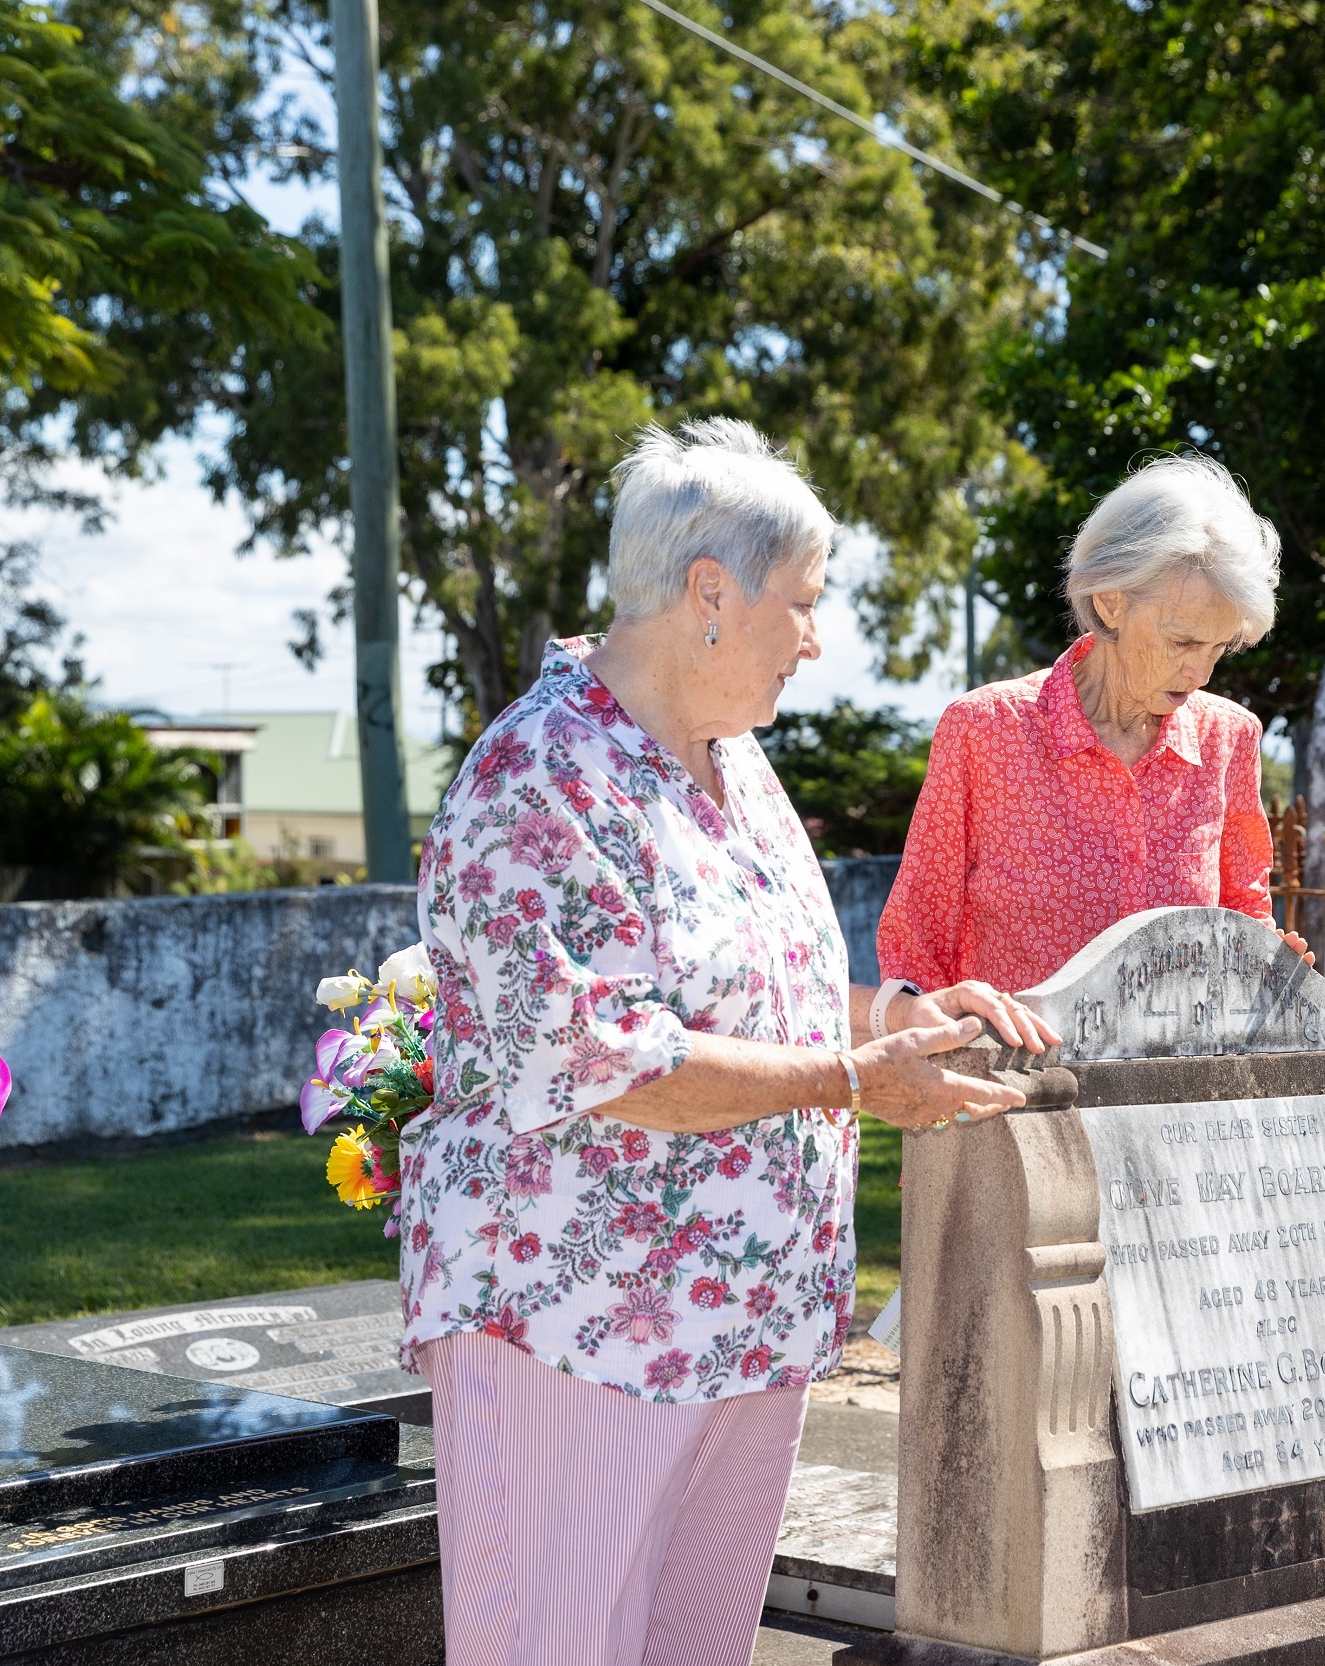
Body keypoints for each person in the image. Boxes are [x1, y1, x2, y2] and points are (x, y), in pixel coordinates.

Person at [404, 417, 1059, 1666]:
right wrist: (855, 1081)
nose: (818, 639)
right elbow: (607, 1059)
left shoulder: (734, 763)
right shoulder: (538, 779)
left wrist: (900, 1015)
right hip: (579, 1319)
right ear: (711, 594)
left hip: (743, 1318)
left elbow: (768, 994)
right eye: (803, 604)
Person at [876, 453, 1307, 994]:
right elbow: (916, 942)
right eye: (1183, 642)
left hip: (1175, 1077)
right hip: (1021, 1076)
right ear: (1109, 604)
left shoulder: (1229, 739)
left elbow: (1242, 919)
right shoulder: (985, 730)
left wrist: (1266, 964)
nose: (1200, 671)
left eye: (1219, 647)